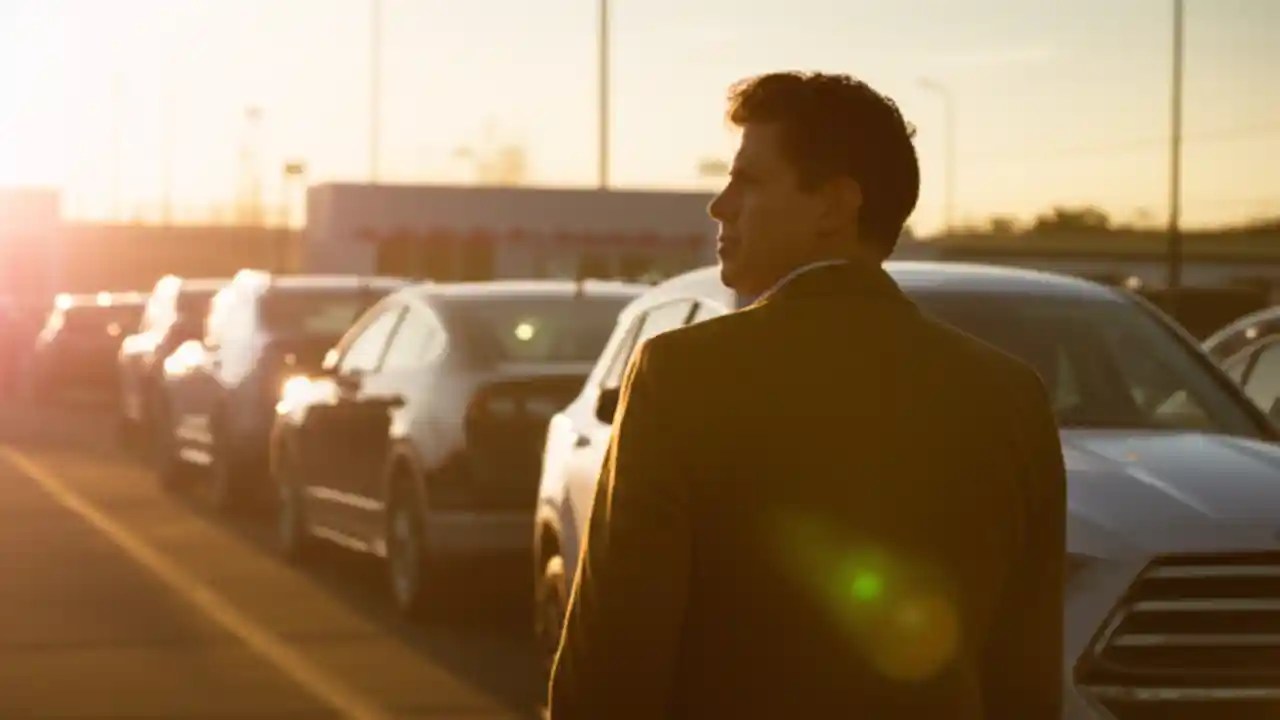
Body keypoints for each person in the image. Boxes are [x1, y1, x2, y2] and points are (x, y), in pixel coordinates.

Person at [549, 71, 1066, 719]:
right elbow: (1027, 671)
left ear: (834, 206)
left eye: (749, 180)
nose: (720, 205)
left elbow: (615, 655)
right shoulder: (1011, 395)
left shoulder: (681, 374)